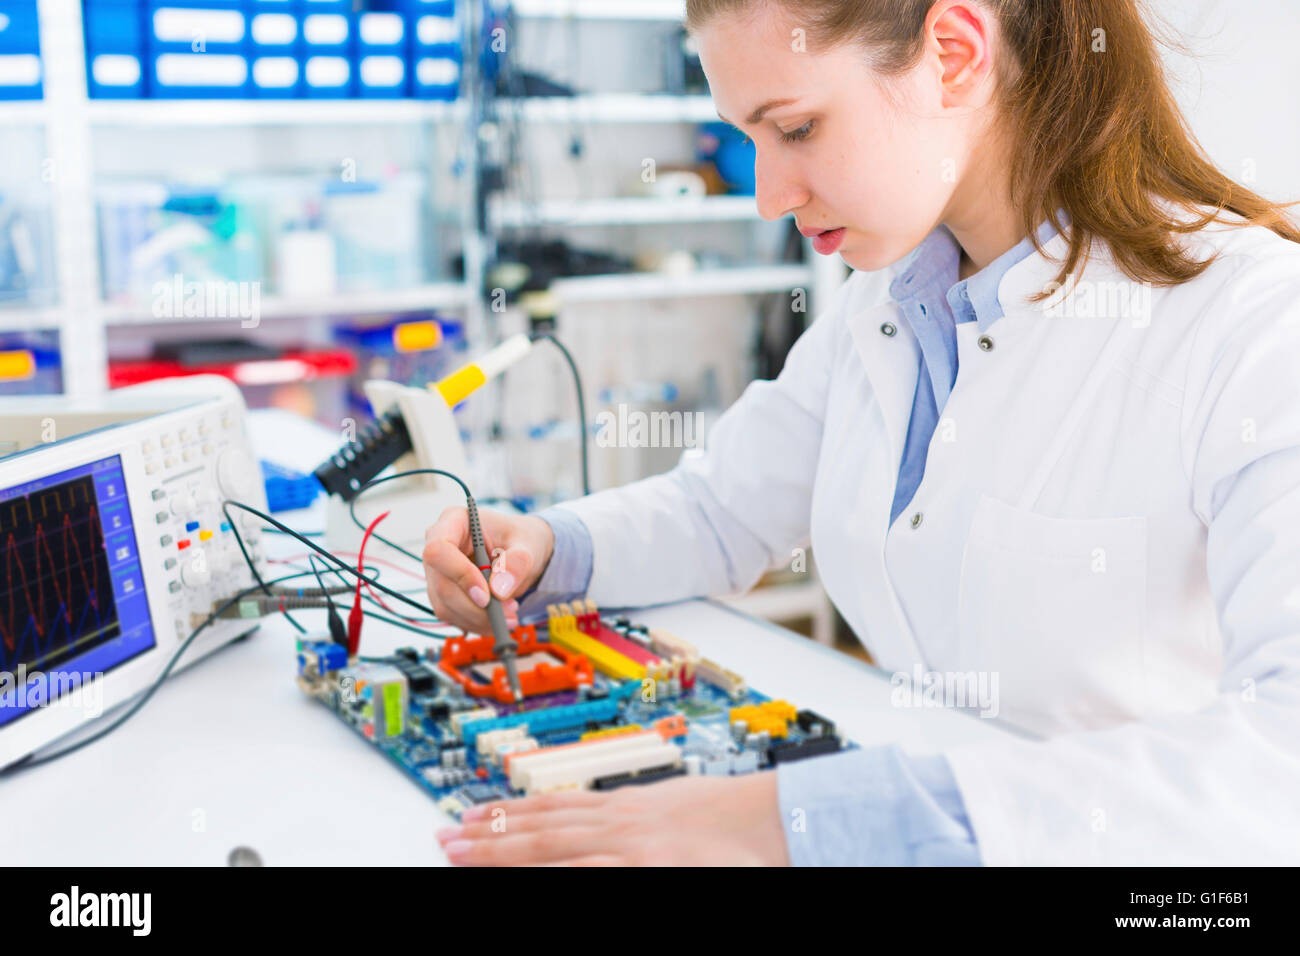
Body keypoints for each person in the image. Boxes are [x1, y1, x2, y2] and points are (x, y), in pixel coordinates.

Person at [424, 0, 1300, 865]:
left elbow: (1281, 754)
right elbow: (723, 511)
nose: (770, 195)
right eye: (747, 136)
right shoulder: (885, 301)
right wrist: (549, 550)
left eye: (797, 128)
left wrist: (803, 821)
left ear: (953, 54)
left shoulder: (1256, 321)